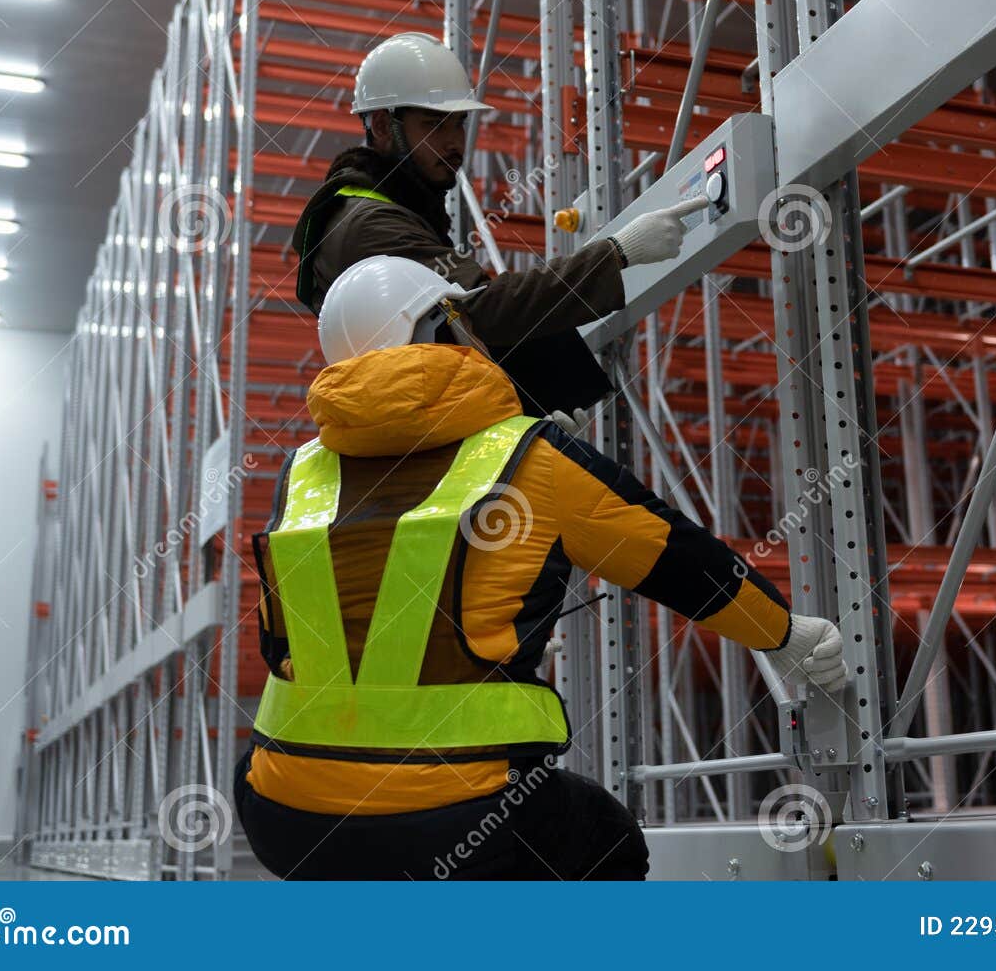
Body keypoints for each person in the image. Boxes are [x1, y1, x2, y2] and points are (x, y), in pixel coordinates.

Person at [235, 255, 847, 881]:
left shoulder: (301, 474)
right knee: (608, 841)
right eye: (460, 318)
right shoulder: (531, 457)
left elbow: (280, 638)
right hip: (464, 819)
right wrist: (784, 634)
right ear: (441, 331)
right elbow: (673, 557)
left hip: (283, 816)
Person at [290, 31, 704, 414]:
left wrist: (516, 414)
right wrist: (617, 254)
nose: (454, 142)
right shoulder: (370, 225)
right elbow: (483, 309)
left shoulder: (380, 211)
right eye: (434, 124)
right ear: (382, 126)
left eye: (459, 124)